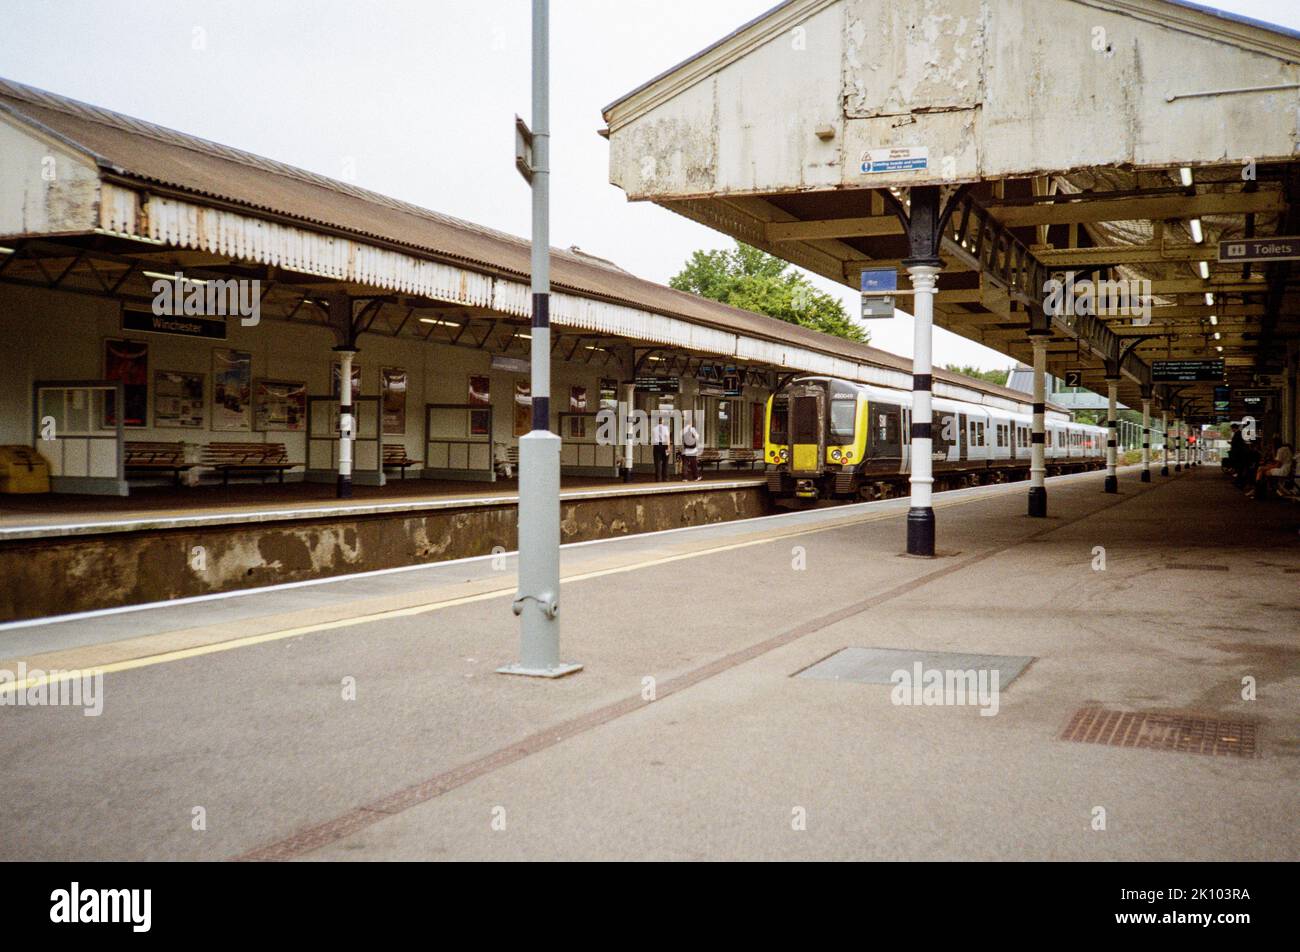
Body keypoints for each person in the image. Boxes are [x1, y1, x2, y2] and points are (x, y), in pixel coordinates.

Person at [652, 415, 672, 482]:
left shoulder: (654, 429)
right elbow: (667, 438)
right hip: (665, 445)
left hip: (657, 446)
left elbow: (653, 439)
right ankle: (665, 478)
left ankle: (658, 479)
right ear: (662, 421)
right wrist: (668, 447)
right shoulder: (665, 428)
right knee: (665, 462)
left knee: (657, 463)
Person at [681, 417, 702, 481]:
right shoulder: (692, 429)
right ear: (690, 423)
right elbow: (698, 438)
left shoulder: (683, 430)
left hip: (685, 451)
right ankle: (696, 477)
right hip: (693, 450)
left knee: (685, 465)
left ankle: (684, 478)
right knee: (694, 465)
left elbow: (681, 439)